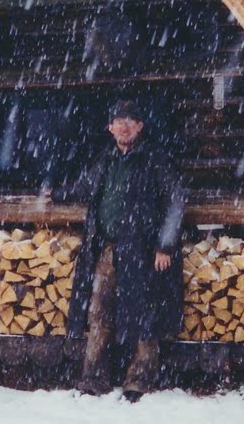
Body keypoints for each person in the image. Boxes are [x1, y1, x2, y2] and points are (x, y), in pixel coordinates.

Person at [56, 99, 186, 402]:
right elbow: (84, 187)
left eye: (130, 121)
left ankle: (139, 380)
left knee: (144, 314)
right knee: (98, 313)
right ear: (110, 127)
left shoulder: (154, 159)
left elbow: (176, 200)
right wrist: (58, 194)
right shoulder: (106, 159)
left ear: (140, 126)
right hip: (107, 248)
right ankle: (93, 379)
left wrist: (165, 245)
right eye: (118, 121)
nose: (124, 126)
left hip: (142, 250)